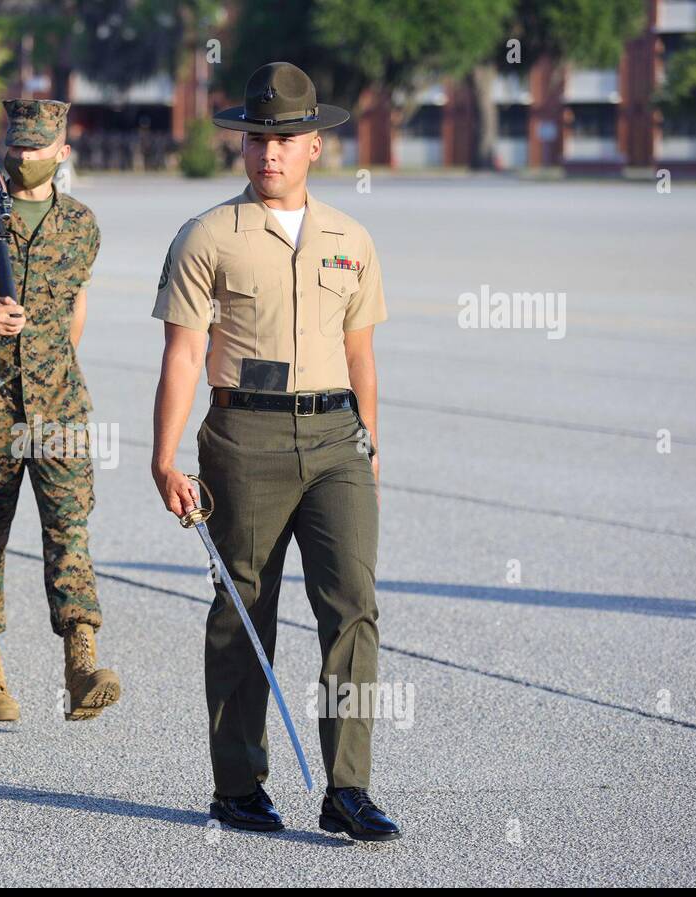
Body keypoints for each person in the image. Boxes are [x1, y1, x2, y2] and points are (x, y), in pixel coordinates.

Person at [150, 62, 401, 840]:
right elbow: (184, 355)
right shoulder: (207, 236)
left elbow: (361, 354)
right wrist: (165, 457)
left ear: (315, 145)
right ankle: (238, 786)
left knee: (352, 610)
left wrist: (371, 443)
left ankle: (347, 787)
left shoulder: (350, 238)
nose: (270, 154)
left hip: (336, 442)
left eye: (287, 140)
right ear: (244, 144)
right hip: (243, 436)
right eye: (259, 139)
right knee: (243, 611)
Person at [0, 98, 119, 722]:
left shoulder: (82, 225)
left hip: (60, 404)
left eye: (36, 149)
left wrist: (58, 364)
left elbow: (75, 309)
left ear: (61, 154)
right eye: (15, 147)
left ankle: (81, 659)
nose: (23, 157)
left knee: (69, 528)